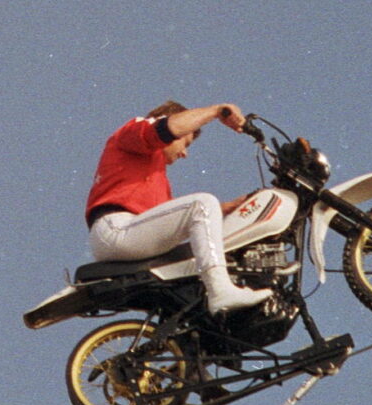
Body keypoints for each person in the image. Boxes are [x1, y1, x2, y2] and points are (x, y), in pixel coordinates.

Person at [83, 100, 270, 314]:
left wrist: (228, 208)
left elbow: (175, 220)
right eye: (186, 143)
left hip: (126, 233)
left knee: (196, 246)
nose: (184, 154)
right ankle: (221, 291)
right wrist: (217, 111)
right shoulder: (133, 130)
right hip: (115, 229)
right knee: (202, 202)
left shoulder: (156, 178)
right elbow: (166, 128)